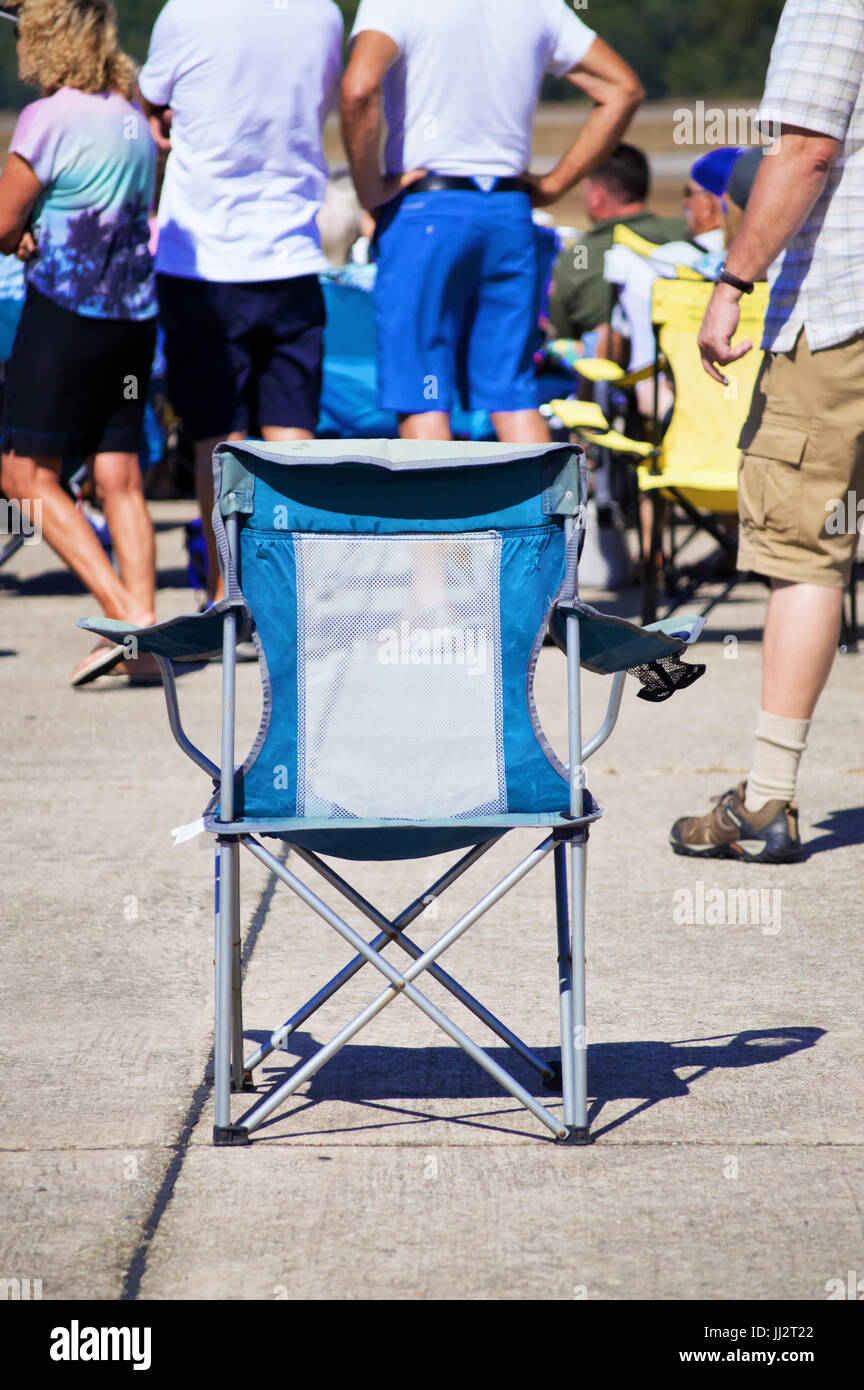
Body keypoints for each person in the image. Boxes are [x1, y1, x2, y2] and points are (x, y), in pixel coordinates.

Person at [671, 0, 864, 863]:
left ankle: (766, 800)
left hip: (842, 311)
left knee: (806, 557)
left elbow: (806, 150)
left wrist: (733, 281)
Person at [341, 0, 643, 444]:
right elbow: (623, 89)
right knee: (513, 398)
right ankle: (544, 515)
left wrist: (368, 191)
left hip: (428, 211)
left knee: (425, 396)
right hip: (507, 213)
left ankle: (439, 516)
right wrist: (556, 183)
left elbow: (358, 88)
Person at [137, 0, 343, 600]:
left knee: (215, 437)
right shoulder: (324, 15)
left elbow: (150, 101)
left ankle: (230, 594)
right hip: (292, 254)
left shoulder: (187, 13)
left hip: (202, 259)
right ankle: (294, 595)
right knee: (292, 433)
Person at [0, 0, 159, 687]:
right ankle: (147, 642)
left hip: (67, 316)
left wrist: (20, 235)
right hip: (133, 319)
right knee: (118, 476)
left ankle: (132, 622)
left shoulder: (49, 116)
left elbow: (3, 221)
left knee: (23, 477)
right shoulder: (132, 118)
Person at [548, 143, 691, 350]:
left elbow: (562, 329)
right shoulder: (685, 234)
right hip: (684, 354)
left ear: (597, 196)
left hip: (614, 368)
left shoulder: (580, 253)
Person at [683, 146, 741, 253]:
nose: (685, 203)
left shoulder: (678, 255)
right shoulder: (774, 252)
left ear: (709, 201)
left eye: (688, 193)